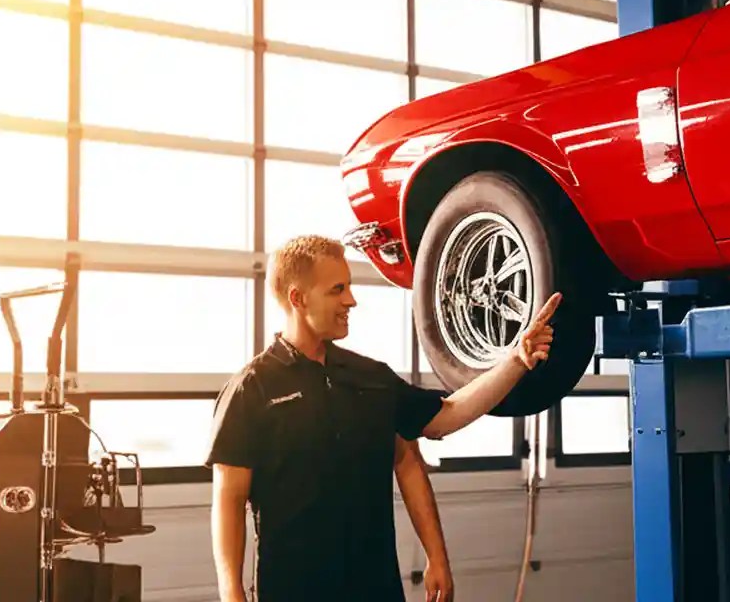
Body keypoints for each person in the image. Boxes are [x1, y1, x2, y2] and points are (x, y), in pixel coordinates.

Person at [205, 234, 561, 602]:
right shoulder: (251, 390)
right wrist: (232, 594)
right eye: (337, 289)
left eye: (349, 287)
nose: (351, 300)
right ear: (298, 298)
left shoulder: (370, 378)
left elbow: (446, 416)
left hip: (376, 589)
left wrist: (516, 362)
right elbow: (229, 500)